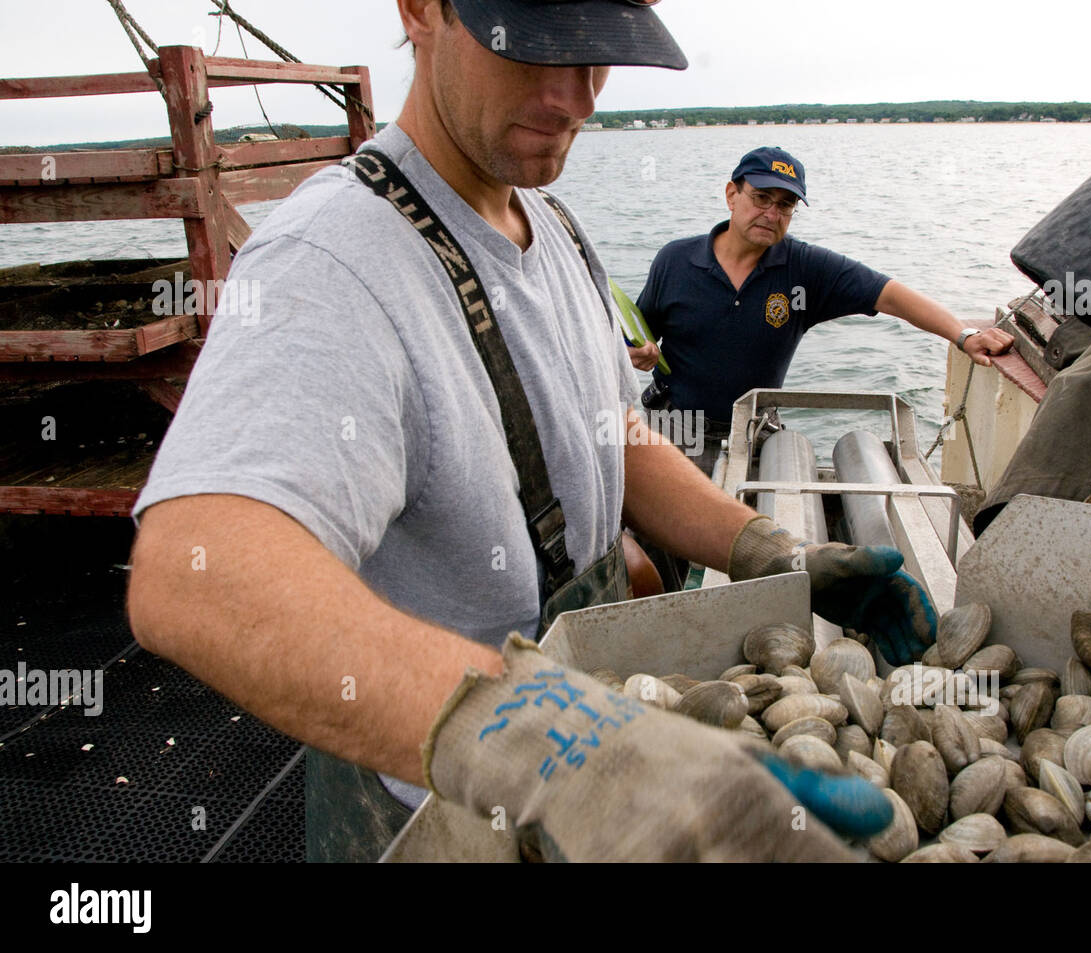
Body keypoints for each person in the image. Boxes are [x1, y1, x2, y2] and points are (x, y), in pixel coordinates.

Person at [126, 0, 934, 863]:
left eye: (597, 55)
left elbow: (606, 434)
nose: (575, 97)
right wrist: (562, 749)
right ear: (423, 10)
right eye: (536, 45)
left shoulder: (550, 225)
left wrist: (766, 550)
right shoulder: (331, 260)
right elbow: (193, 574)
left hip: (591, 799)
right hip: (438, 815)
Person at [631, 146, 1014, 475]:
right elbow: (635, 331)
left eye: (786, 205)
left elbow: (891, 295)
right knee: (652, 546)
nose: (772, 213)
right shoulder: (675, 260)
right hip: (672, 427)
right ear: (732, 194)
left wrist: (963, 335)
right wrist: (639, 350)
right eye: (761, 197)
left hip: (752, 436)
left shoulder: (805, 268)